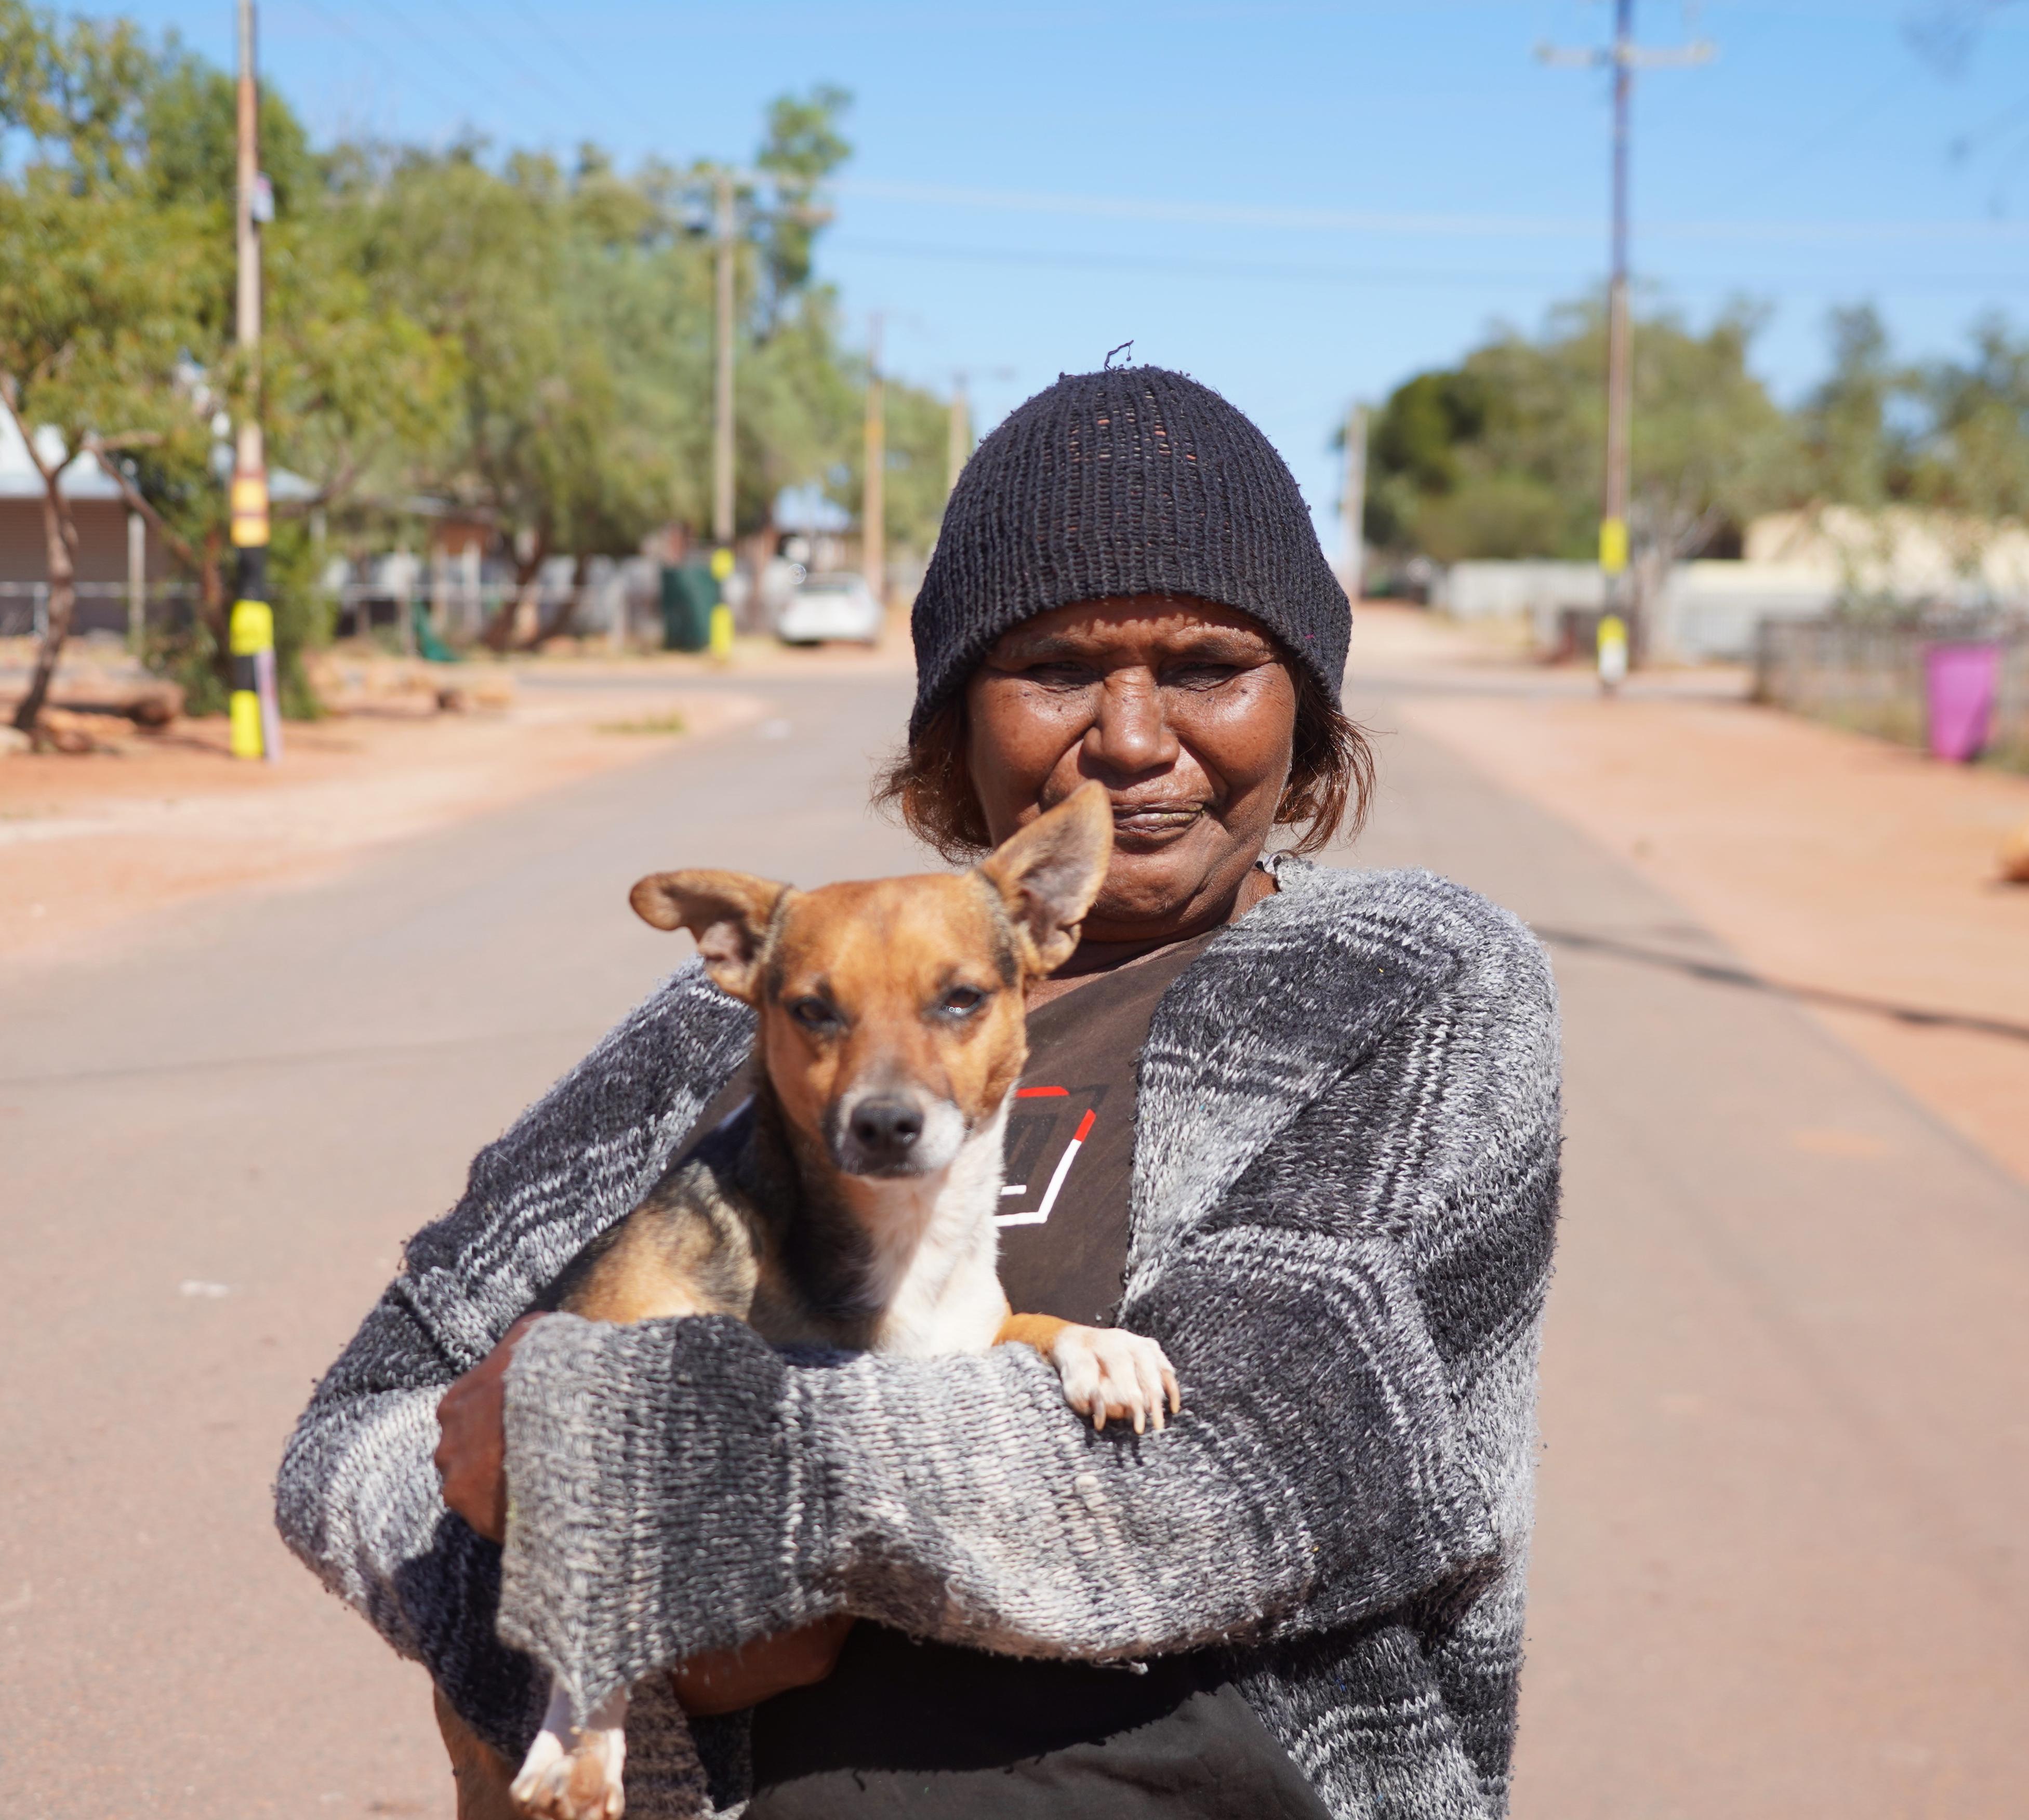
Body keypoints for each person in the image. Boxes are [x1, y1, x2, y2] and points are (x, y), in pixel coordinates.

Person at [277, 366, 1563, 1820]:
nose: (1132, 739)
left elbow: (1243, 1482)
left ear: (1307, 711)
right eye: (1057, 671)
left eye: (1209, 666)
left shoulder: (1402, 988)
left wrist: (629, 1465)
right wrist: (569, 1585)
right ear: (956, 717)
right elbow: (365, 1428)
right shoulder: (753, 1018)